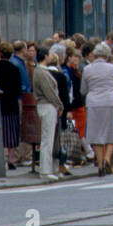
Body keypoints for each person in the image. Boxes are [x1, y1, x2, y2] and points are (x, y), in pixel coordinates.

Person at [83, 43, 113, 176]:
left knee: (96, 134)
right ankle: (108, 159)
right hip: (109, 101)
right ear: (107, 55)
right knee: (110, 132)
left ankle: (100, 164)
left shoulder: (87, 69)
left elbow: (83, 89)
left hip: (93, 102)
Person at [32, 49, 64, 180]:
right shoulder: (41, 72)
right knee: (47, 139)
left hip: (46, 105)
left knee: (48, 138)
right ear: (45, 56)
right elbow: (49, 92)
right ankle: (45, 170)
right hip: (47, 105)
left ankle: (48, 168)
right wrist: (59, 104)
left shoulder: (40, 71)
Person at [0, 42, 24, 170]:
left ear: (0, 53)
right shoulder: (14, 69)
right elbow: (18, 88)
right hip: (11, 104)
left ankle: (0, 157)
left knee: (0, 131)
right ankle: (11, 158)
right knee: (12, 132)